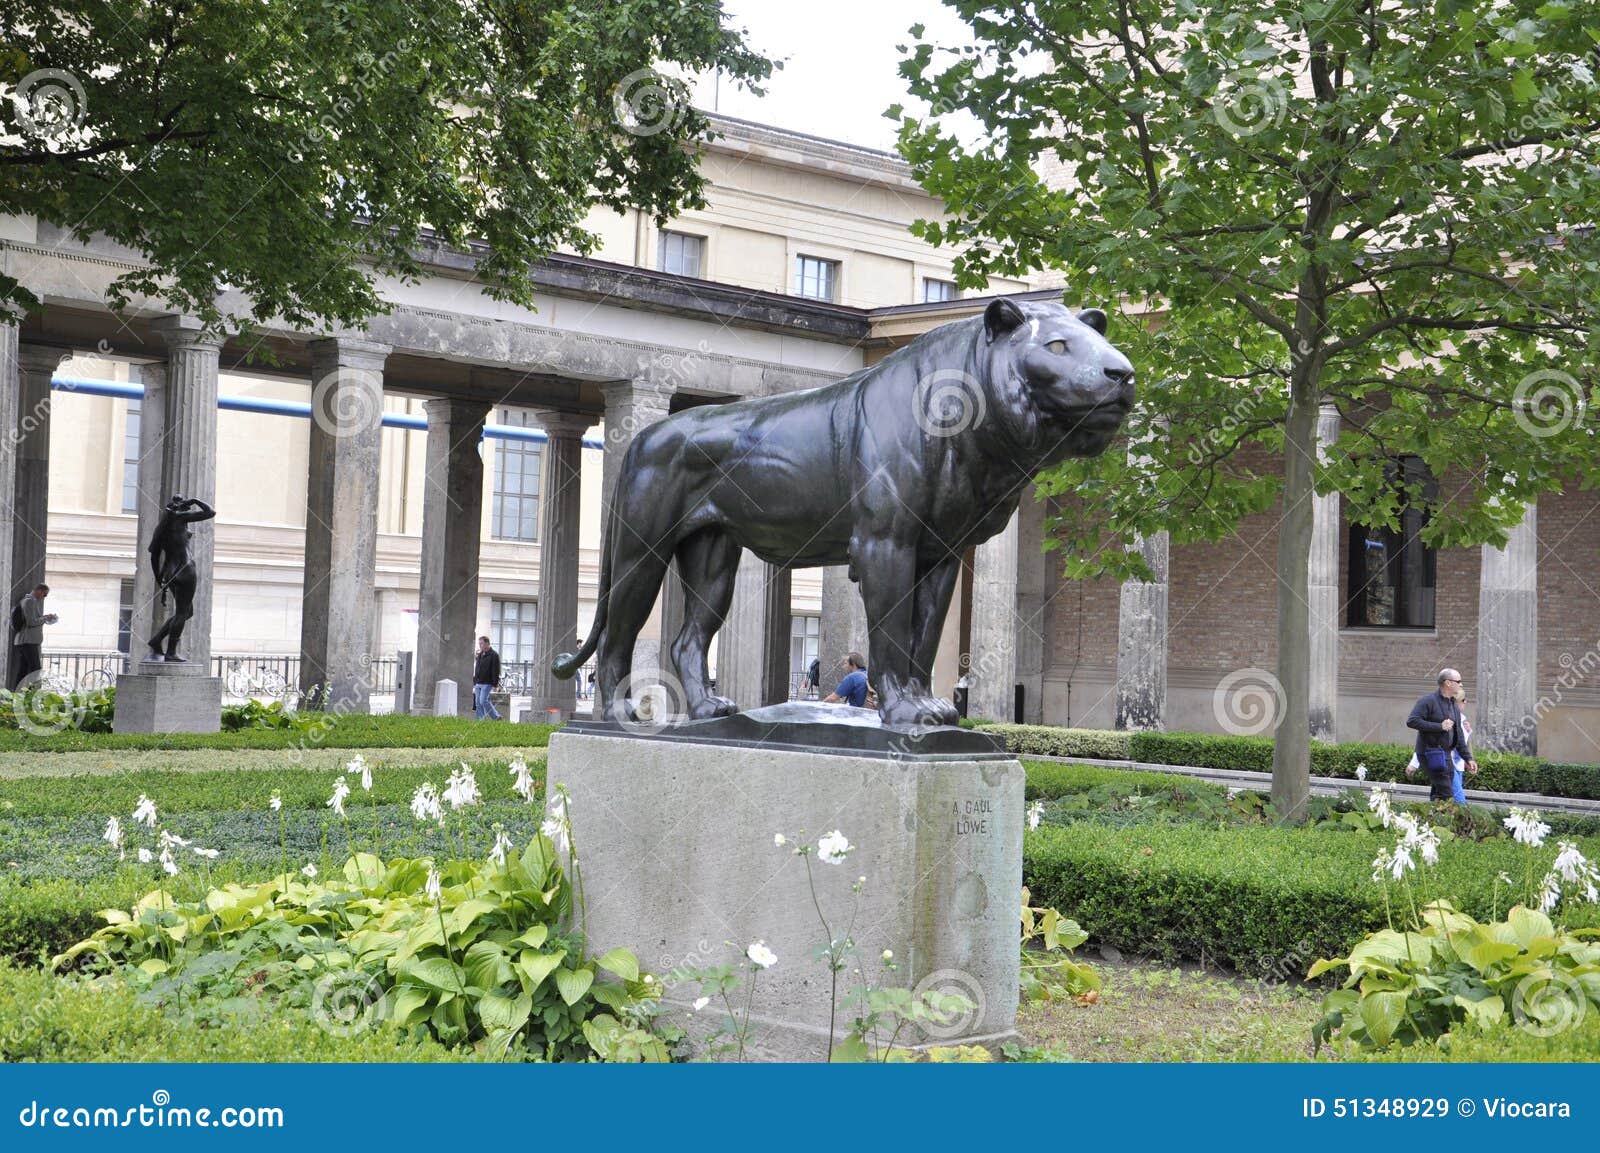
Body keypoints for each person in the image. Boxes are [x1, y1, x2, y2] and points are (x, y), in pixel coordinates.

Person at [145, 494, 216, 662]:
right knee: (183, 612)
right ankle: (171, 652)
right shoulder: (180, 518)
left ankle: (156, 640)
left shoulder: (161, 528)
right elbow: (210, 512)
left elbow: (154, 557)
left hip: (170, 572)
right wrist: (195, 501)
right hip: (186, 570)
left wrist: (159, 579)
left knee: (186, 612)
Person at [1405, 668, 1477, 802]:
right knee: (1447, 794)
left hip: (1446, 754)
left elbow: (1459, 736)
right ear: (1448, 683)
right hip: (1430, 753)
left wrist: (1468, 758)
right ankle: (1448, 821)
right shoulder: (1427, 701)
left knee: (1439, 793)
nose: (1461, 684)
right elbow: (1412, 721)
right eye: (1459, 681)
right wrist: (1439, 726)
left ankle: (1431, 818)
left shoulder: (1453, 705)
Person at [10, 583, 57, 689]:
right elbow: (31, 622)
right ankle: (32, 695)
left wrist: (44, 617)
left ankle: (17, 693)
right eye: (44, 595)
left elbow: (32, 620)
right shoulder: (29, 601)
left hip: (26, 641)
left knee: (24, 670)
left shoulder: (30, 601)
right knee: (35, 669)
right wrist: (45, 618)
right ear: (39, 591)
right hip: (27, 641)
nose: (44, 598)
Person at [473, 635, 502, 720]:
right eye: (479, 644)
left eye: (481, 643)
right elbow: (477, 668)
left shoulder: (494, 655)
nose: (480, 645)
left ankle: (496, 717)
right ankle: (480, 719)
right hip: (478, 682)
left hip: (487, 682)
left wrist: (495, 683)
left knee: (483, 701)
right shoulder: (480, 655)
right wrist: (475, 681)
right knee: (478, 702)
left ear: (487, 643)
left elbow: (496, 670)